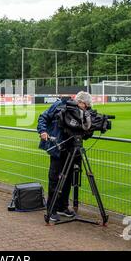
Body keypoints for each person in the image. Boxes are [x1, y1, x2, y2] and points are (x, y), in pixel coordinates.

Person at [37, 91, 93, 222]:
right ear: (80, 102)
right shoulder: (58, 105)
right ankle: (52, 210)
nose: (86, 108)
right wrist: (43, 131)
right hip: (58, 147)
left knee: (68, 178)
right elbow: (43, 117)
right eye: (85, 105)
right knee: (55, 179)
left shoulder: (83, 112)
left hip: (73, 149)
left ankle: (63, 207)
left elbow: (85, 131)